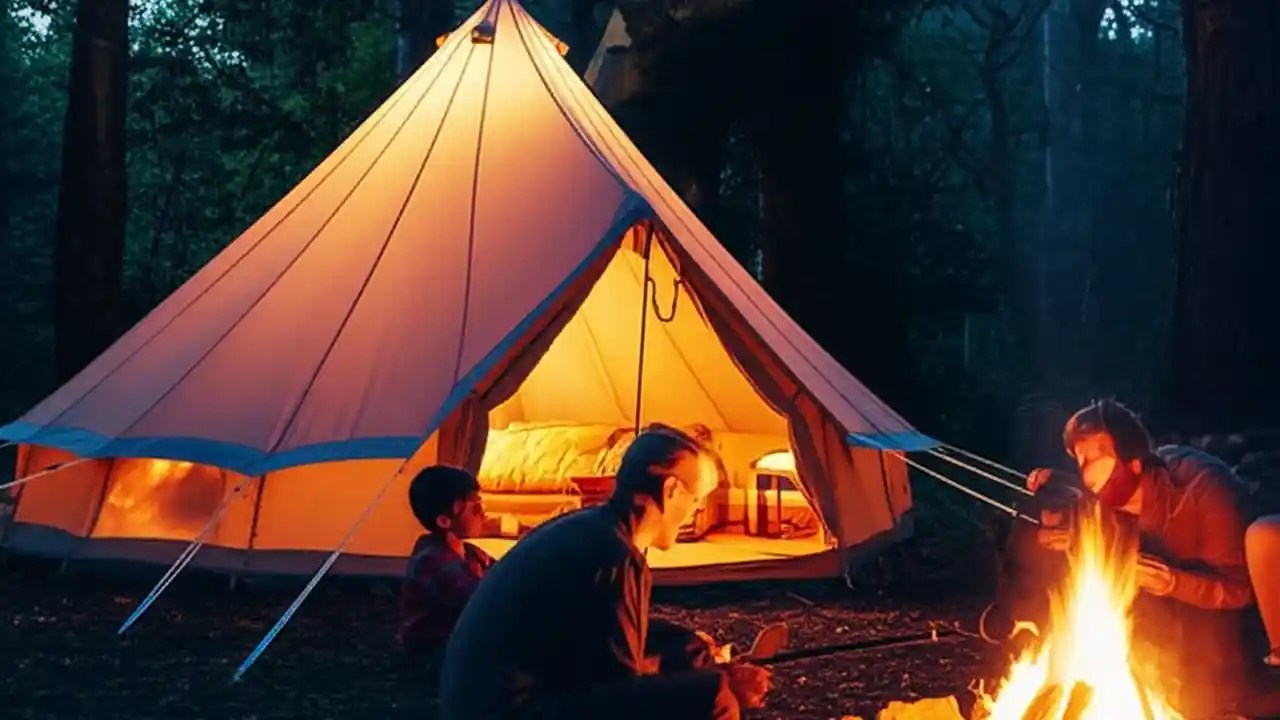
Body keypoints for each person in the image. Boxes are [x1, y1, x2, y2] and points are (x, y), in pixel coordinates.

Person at [438, 423, 772, 720]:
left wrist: (691, 653)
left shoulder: (592, 530)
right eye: (697, 500)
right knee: (714, 697)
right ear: (671, 491)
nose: (694, 511)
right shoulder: (614, 557)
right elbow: (620, 688)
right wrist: (723, 684)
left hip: (486, 697)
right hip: (511, 709)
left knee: (684, 648)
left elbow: (608, 634)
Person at [982, 399, 1255, 716]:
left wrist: (1173, 582)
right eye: (1081, 459)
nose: (1087, 470)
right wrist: (1057, 489)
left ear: (1135, 462)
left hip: (1221, 633)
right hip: (1158, 626)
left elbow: (1244, 592)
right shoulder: (1111, 500)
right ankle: (1019, 623)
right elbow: (1093, 502)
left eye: (1097, 457)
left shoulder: (1205, 490)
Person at [399, 465, 494, 676]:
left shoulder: (471, 553)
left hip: (460, 644)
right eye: (474, 508)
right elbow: (480, 600)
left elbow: (503, 576)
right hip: (434, 654)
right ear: (444, 520)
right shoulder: (432, 561)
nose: (483, 514)